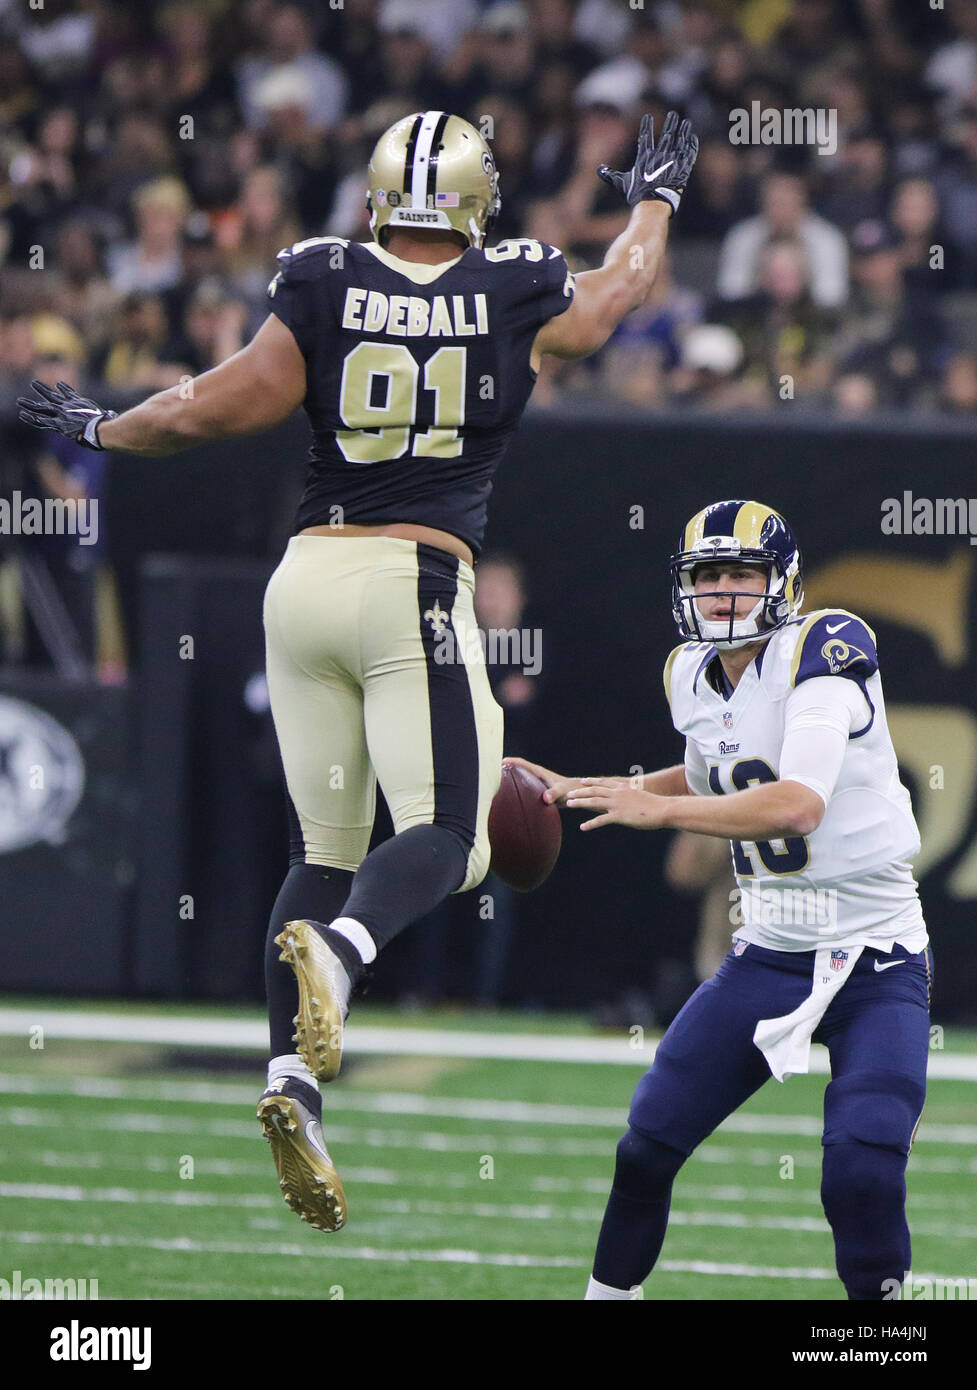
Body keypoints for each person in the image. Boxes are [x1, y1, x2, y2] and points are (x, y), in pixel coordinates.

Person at [16, 108, 700, 1235]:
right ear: (478, 201)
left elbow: (208, 406)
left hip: (300, 588)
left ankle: (291, 1081)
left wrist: (98, 425)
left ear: (379, 197)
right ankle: (342, 953)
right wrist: (655, 198)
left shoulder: (323, 276)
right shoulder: (517, 282)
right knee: (456, 833)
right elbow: (622, 290)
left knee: (322, 851)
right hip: (413, 582)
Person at [509, 499, 931, 1301]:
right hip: (767, 952)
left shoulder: (825, 645)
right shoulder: (687, 673)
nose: (725, 593)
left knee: (861, 1169)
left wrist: (657, 811)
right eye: (708, 576)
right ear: (684, 588)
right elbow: (718, 772)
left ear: (782, 582)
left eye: (742, 574)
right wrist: (609, 788)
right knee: (645, 1148)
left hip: (876, 956)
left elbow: (796, 801)